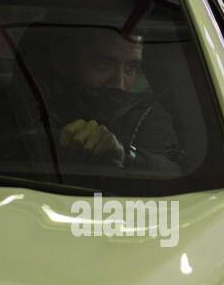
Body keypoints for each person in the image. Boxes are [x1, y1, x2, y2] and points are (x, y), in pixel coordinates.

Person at [18, 24, 183, 175]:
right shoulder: (22, 111)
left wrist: (124, 154)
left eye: (131, 68)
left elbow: (174, 172)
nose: (119, 83)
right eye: (104, 64)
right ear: (64, 63)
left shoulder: (145, 118)